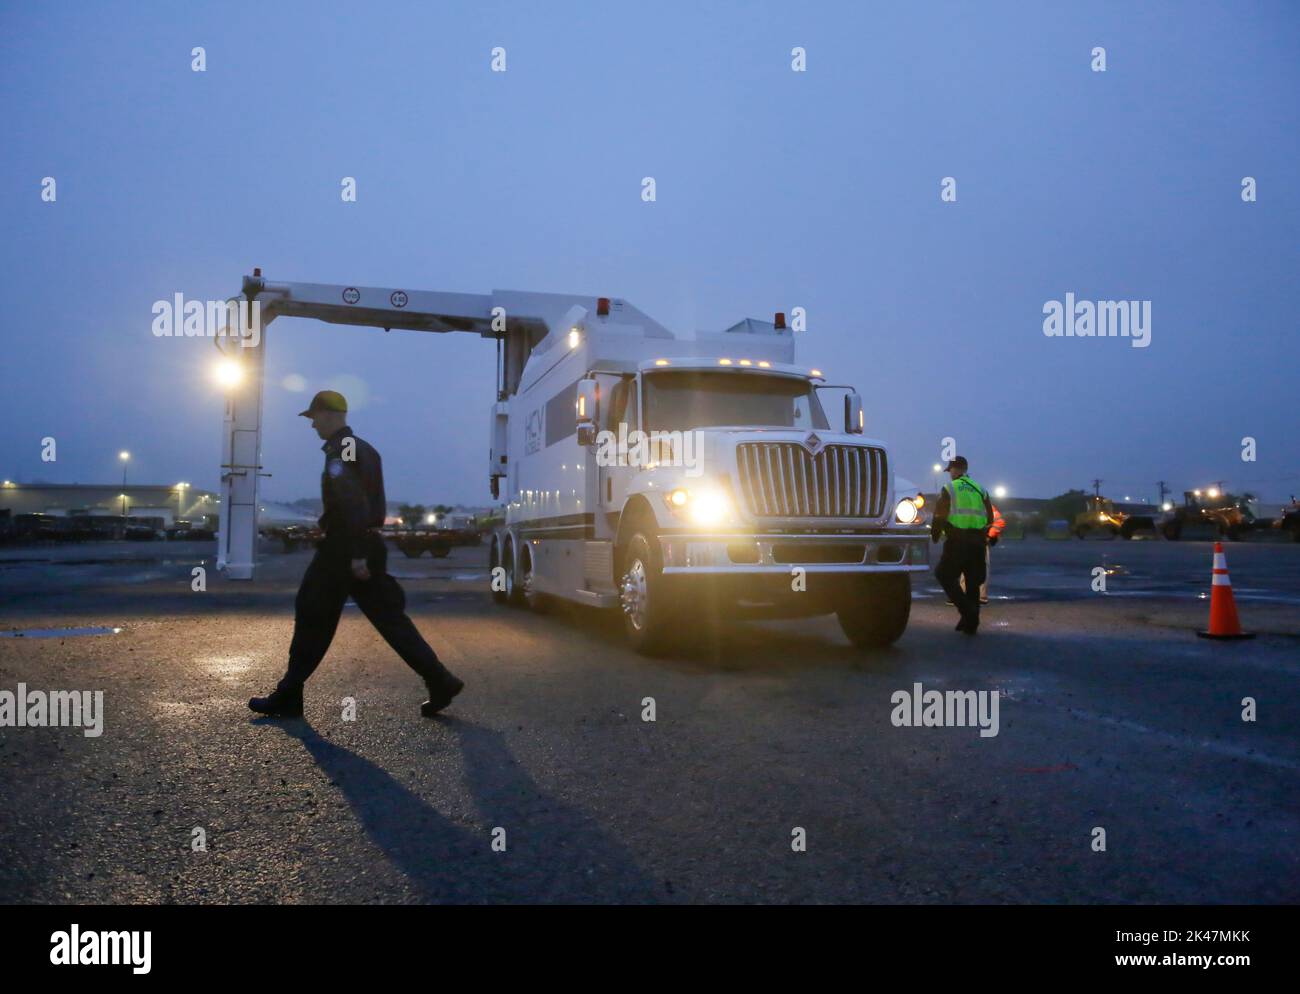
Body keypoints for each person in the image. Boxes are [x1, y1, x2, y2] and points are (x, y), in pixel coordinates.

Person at [250, 390, 464, 718]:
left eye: (314, 417)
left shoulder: (342, 450)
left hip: (343, 549)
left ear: (330, 415)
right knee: (390, 620)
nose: (312, 425)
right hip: (360, 546)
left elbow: (353, 502)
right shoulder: (364, 448)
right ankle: (440, 680)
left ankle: (289, 695)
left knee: (312, 616)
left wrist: (356, 553)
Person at [930, 456, 994, 634]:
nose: (950, 474)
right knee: (973, 582)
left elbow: (939, 515)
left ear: (956, 470)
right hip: (978, 541)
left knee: (943, 575)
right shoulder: (980, 489)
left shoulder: (950, 488)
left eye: (950, 470)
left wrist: (935, 534)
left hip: (957, 540)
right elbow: (990, 518)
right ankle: (970, 623)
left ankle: (967, 611)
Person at [960, 502, 1005, 605]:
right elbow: (999, 522)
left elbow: (999, 522)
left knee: (970, 568)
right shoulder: (985, 505)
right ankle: (979, 595)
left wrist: (988, 536)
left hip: (973, 540)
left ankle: (974, 595)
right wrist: (989, 536)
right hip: (974, 540)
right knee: (978, 568)